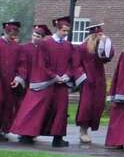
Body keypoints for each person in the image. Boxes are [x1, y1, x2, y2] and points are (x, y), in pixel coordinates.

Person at [11, 19, 78, 147]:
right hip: (46, 82)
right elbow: (41, 63)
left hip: (61, 84)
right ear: (57, 29)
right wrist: (54, 76)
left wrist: (67, 75)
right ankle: (27, 134)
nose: (65, 33)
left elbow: (71, 64)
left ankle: (58, 138)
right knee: (36, 108)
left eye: (67, 31)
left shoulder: (68, 46)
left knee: (60, 110)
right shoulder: (45, 44)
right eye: (64, 31)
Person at [74, 23, 113, 144]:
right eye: (96, 35)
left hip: (99, 80)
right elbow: (76, 65)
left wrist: (106, 42)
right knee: (86, 106)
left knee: (97, 105)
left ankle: (88, 129)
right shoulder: (82, 48)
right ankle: (83, 131)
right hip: (87, 81)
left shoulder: (100, 47)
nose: (98, 38)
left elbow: (108, 57)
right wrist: (83, 78)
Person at [0, 20, 23, 139]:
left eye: (15, 33)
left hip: (10, 81)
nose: (13, 36)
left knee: (8, 104)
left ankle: (2, 130)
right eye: (11, 33)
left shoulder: (17, 47)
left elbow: (21, 64)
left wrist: (18, 77)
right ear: (6, 31)